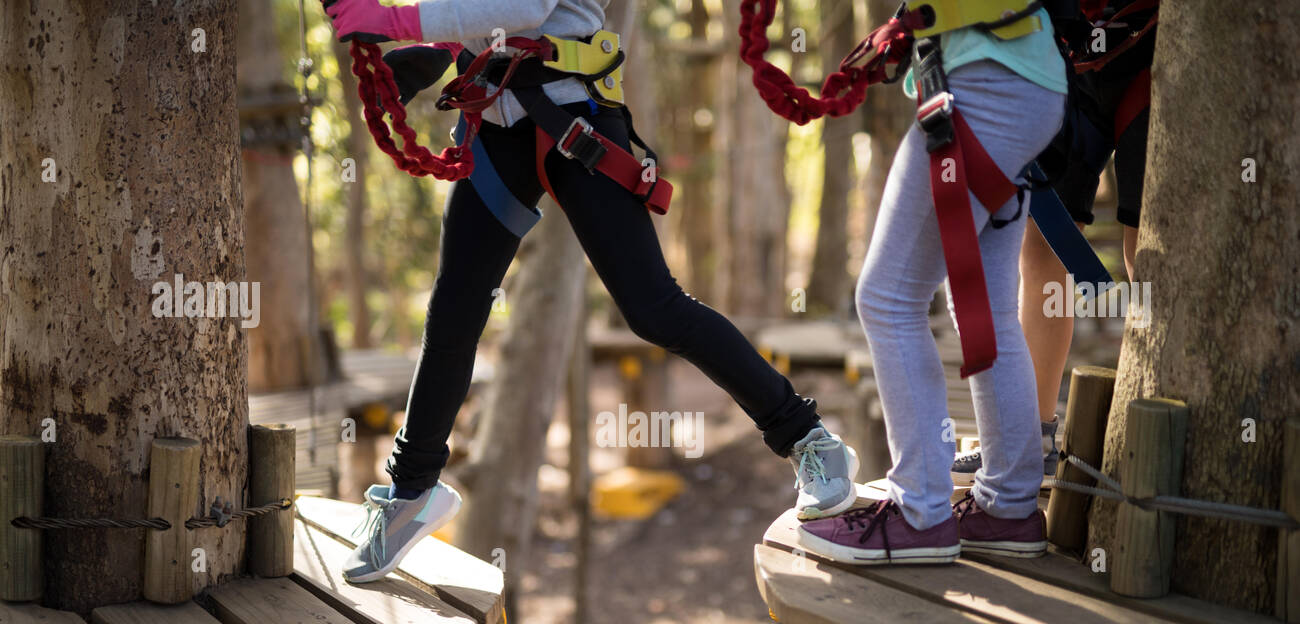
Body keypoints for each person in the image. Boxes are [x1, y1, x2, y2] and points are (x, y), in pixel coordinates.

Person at [321, 0, 859, 584]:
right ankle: (411, 491)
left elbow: (523, 5)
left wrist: (393, 19)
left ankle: (809, 439)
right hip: (495, 127)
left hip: (573, 120)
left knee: (654, 309)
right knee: (452, 312)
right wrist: (441, 51)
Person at [798, 5, 1068, 565]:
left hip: (984, 81)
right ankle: (1008, 509)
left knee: (888, 297)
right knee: (984, 305)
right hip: (1025, 80)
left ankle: (919, 512)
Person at [952, 0, 1159, 485]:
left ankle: (1156, 428)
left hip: (1151, 54)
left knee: (1145, 254)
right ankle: (1030, 436)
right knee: (1042, 248)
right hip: (1063, 60)